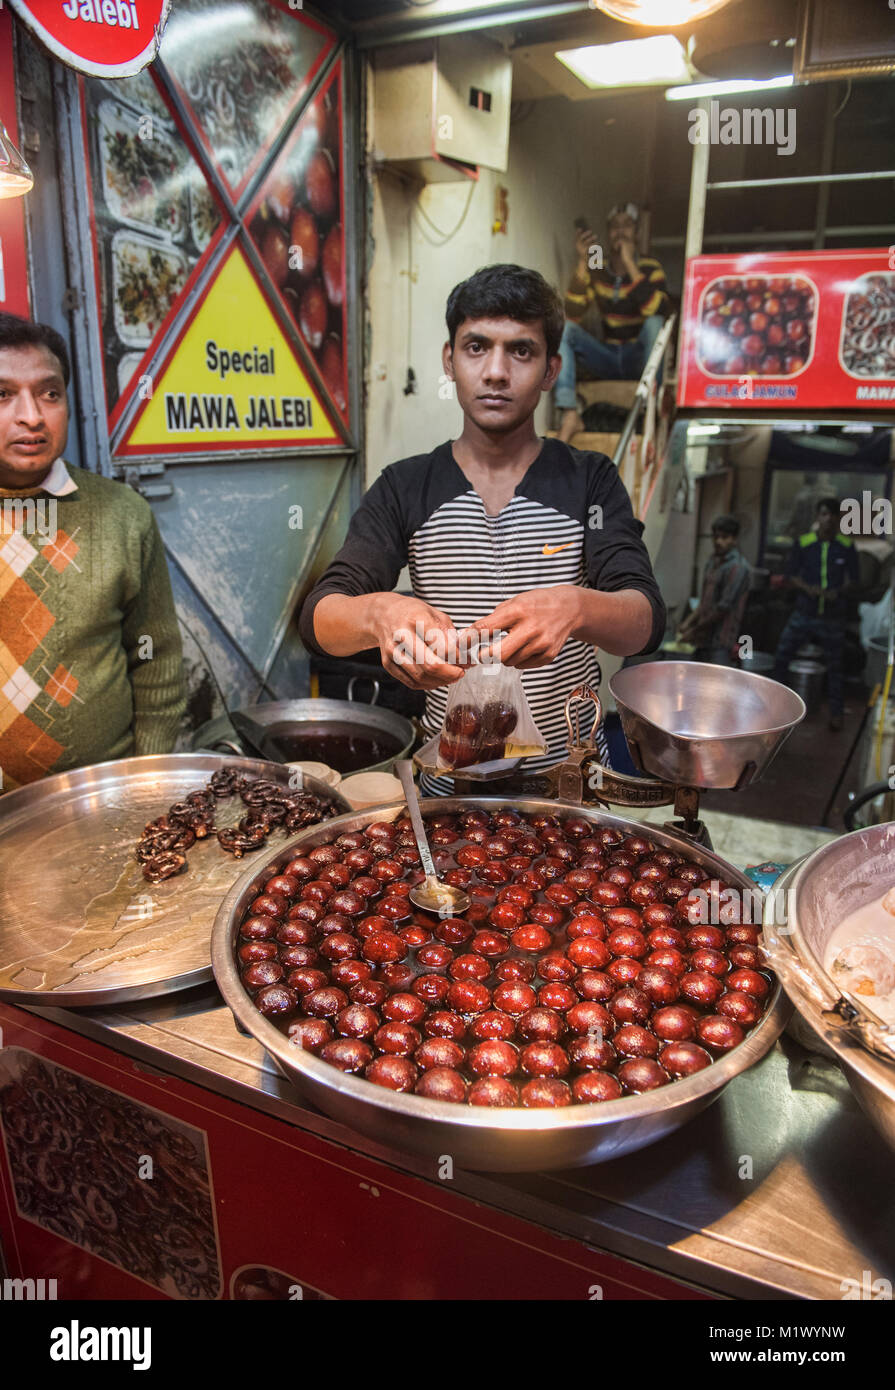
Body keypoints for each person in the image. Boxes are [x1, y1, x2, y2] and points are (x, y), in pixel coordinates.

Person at [299, 264, 666, 794]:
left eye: (521, 351)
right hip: (447, 785)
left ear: (550, 370)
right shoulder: (406, 486)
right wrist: (380, 614)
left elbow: (645, 621)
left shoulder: (590, 480)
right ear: (449, 360)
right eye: (476, 347)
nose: (496, 372)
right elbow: (320, 618)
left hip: (568, 788)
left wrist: (577, 607)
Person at [0, 313, 186, 792]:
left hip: (101, 802)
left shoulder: (122, 514)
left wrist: (148, 785)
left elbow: (156, 660)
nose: (32, 416)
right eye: (3, 395)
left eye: (50, 393)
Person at [555, 203, 669, 444]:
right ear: (608, 232)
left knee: (654, 324)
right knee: (563, 327)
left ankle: (651, 408)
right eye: (615, 226)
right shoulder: (599, 264)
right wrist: (582, 261)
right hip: (607, 356)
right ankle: (569, 411)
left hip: (638, 357)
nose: (621, 232)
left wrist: (629, 263)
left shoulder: (650, 267)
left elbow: (656, 310)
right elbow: (573, 314)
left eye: (627, 225)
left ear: (637, 232)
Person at [773, 497, 859, 732]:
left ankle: (836, 714)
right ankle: (774, 712)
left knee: (835, 666)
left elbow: (855, 581)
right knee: (782, 657)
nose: (828, 519)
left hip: (832, 618)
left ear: (839, 519)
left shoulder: (846, 546)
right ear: (817, 516)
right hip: (804, 613)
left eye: (833, 515)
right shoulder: (804, 543)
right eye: (823, 514)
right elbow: (790, 576)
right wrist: (808, 588)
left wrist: (838, 592)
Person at [678, 515, 752, 666]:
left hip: (721, 642)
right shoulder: (713, 562)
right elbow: (705, 601)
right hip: (703, 640)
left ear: (734, 539)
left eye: (724, 537)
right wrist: (688, 621)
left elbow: (723, 608)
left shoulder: (738, 568)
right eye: (716, 537)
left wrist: (694, 630)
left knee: (717, 685)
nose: (718, 541)